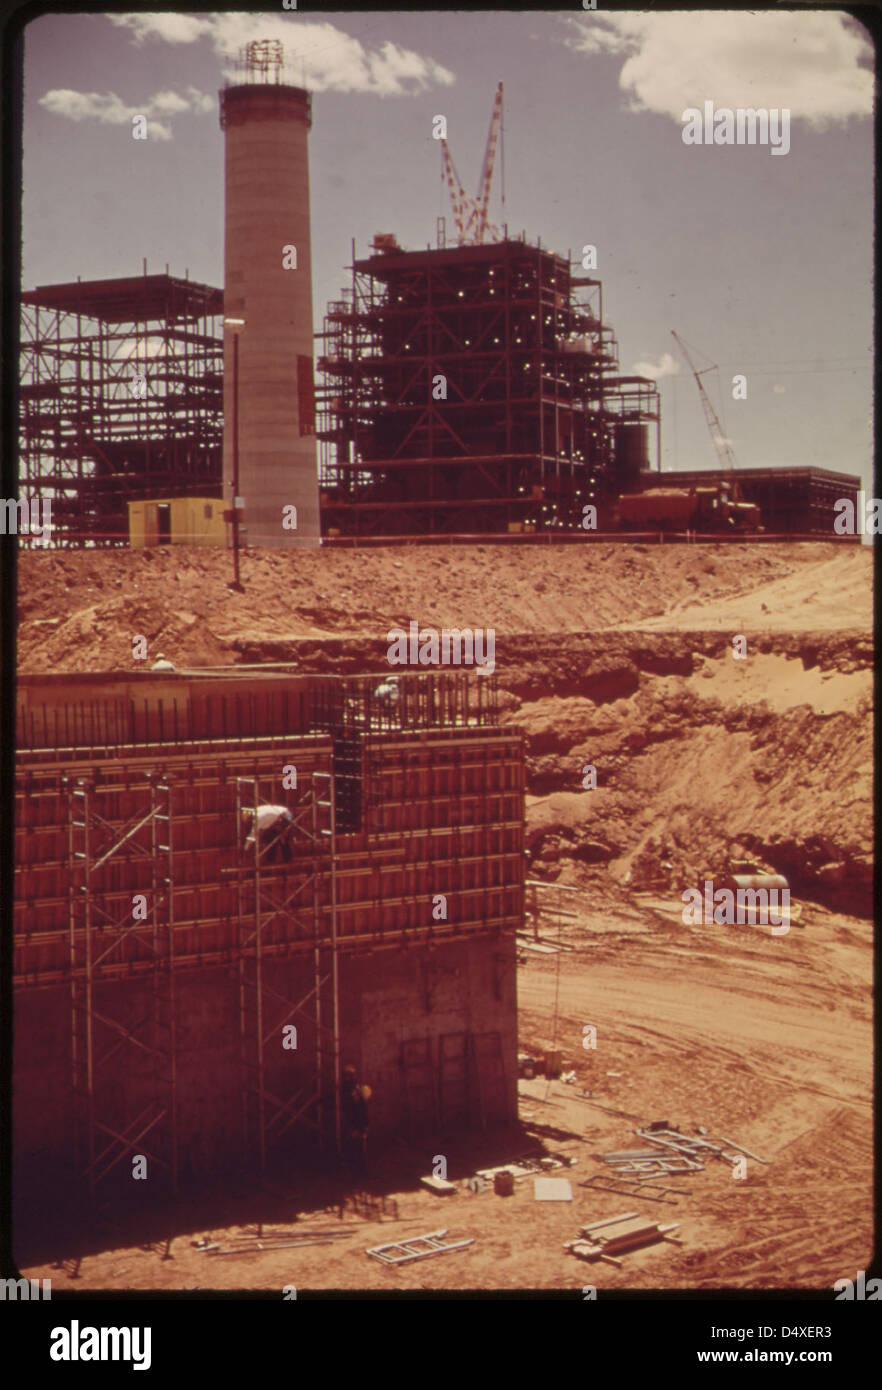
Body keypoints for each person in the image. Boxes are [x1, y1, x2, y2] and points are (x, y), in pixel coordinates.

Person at [340, 1065, 370, 1178]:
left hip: (359, 1122)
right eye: (347, 1076)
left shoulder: (357, 1090)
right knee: (354, 1147)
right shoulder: (346, 1092)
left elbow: (363, 1108)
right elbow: (350, 1109)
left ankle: (361, 1172)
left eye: (351, 1075)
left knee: (360, 1147)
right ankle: (355, 1172)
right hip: (352, 1122)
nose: (349, 1078)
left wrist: (365, 1124)